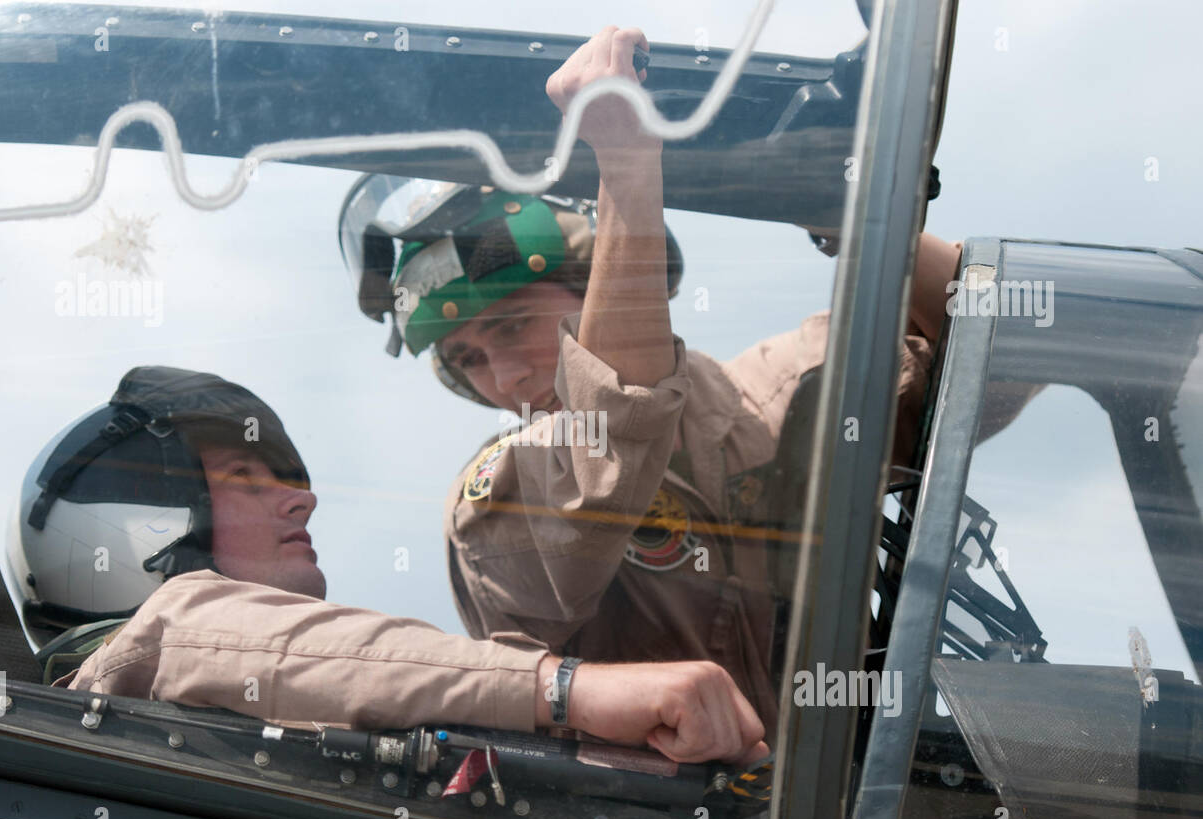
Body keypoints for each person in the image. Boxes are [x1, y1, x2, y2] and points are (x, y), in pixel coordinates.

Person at [339, 26, 966, 737]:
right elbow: (605, 444)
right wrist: (628, 168)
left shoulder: (775, 394)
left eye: (512, 326)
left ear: (593, 282)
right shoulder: (497, 498)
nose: (503, 376)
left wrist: (855, 215)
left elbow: (994, 344)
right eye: (468, 360)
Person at [8, 365, 768, 765]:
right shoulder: (139, 656)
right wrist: (571, 689)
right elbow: (197, 629)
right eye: (246, 478)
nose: (300, 503)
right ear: (139, 525)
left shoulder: (229, 726)